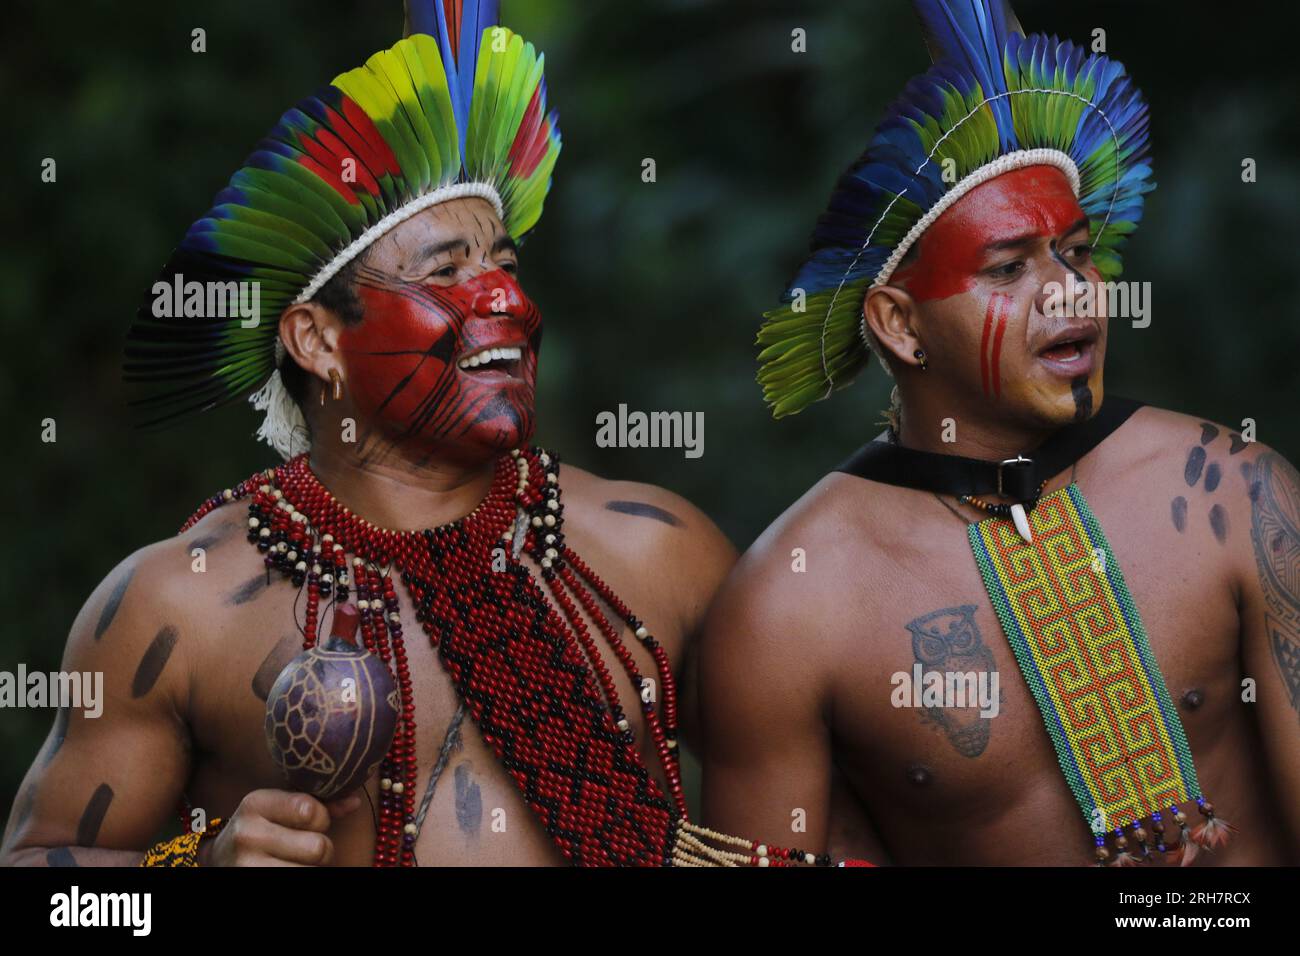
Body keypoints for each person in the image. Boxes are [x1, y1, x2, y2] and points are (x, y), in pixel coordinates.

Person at [1, 0, 748, 867]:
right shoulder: (178, 605)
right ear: (318, 340)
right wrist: (196, 869)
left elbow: (799, 828)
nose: (506, 299)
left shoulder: (661, 553)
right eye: (447, 272)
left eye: (506, 266)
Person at [700, 0, 1300, 866]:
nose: (1070, 291)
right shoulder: (789, 607)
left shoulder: (1233, 490)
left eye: (1079, 252)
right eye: (1009, 267)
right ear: (900, 325)